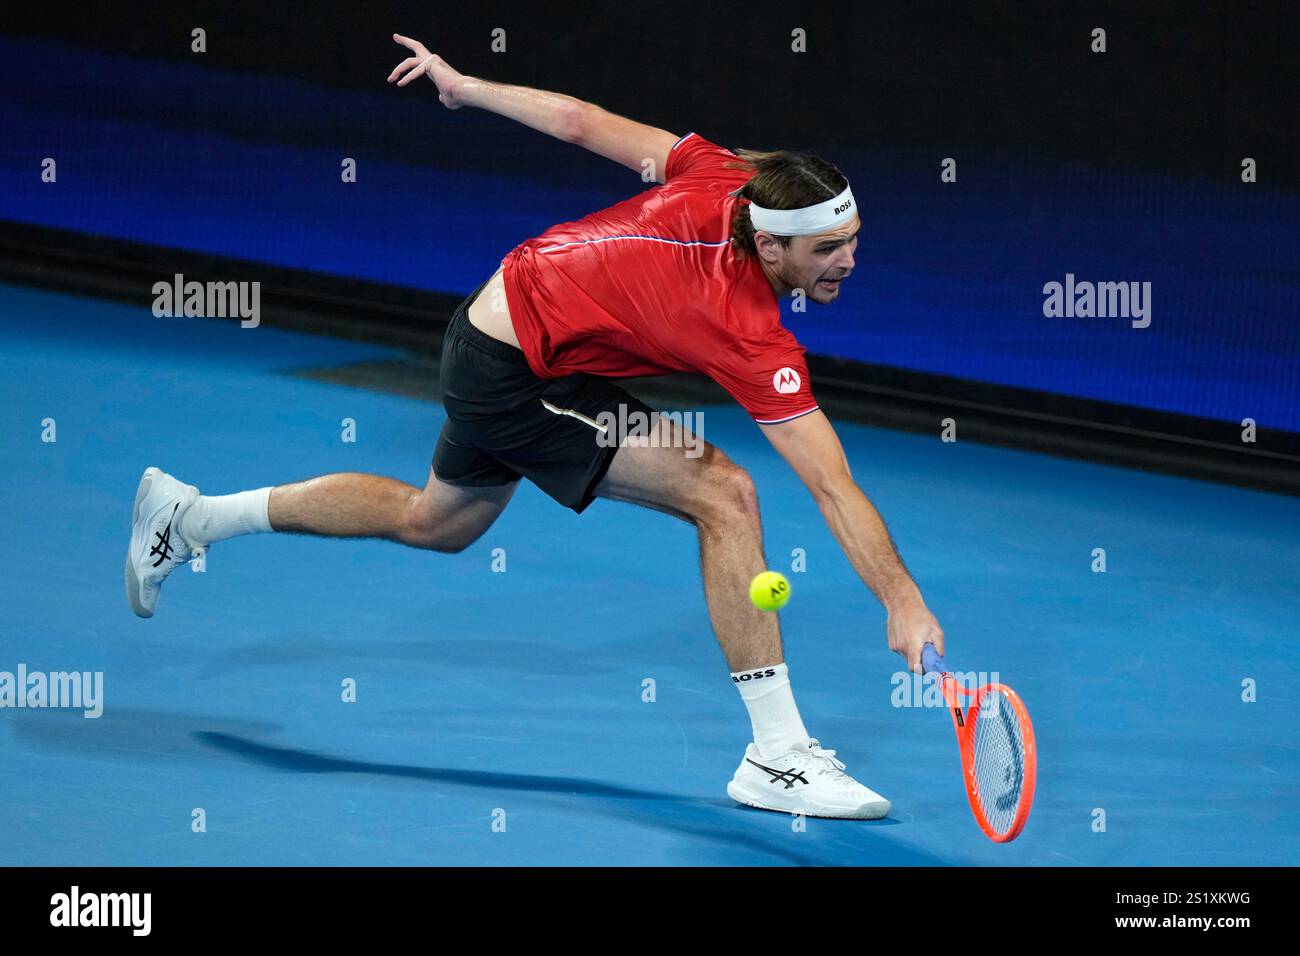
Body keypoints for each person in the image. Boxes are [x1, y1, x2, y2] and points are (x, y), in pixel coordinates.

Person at [125, 33, 946, 820]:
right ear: (770, 246)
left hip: (510, 330)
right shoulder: (743, 328)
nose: (849, 262)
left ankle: (190, 516)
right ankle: (776, 753)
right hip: (514, 371)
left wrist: (465, 87)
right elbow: (832, 486)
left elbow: (580, 122)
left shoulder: (726, 176)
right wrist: (901, 598)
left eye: (855, 240)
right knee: (724, 493)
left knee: (434, 522)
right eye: (829, 250)